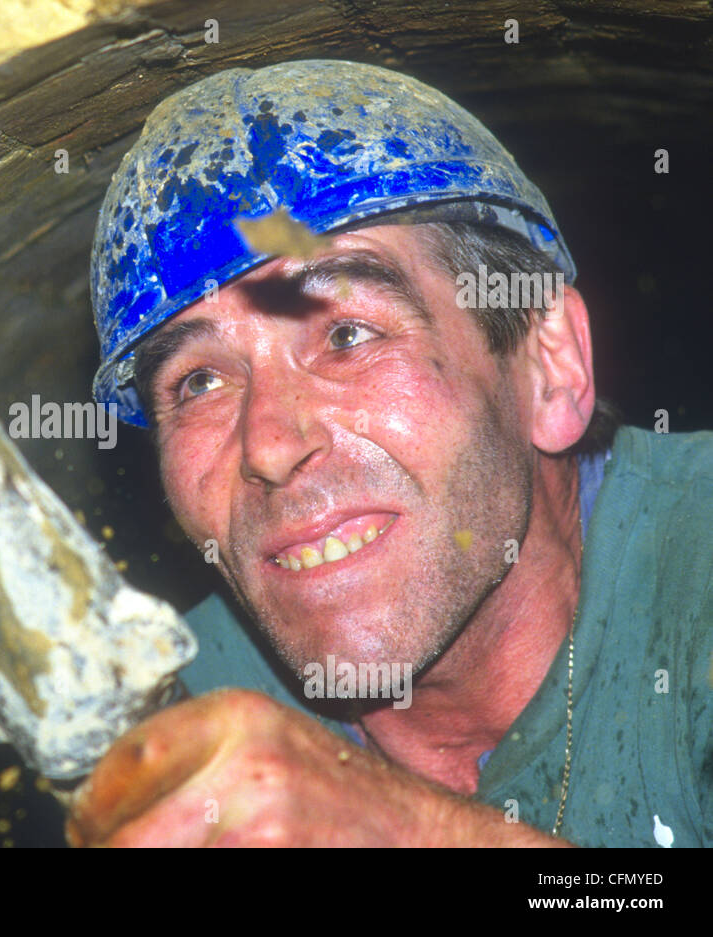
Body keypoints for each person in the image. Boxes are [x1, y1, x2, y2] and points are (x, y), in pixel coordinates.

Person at [66, 60, 713, 847]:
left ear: (551, 365)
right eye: (199, 381)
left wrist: (412, 832)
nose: (269, 444)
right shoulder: (179, 715)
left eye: (346, 335)